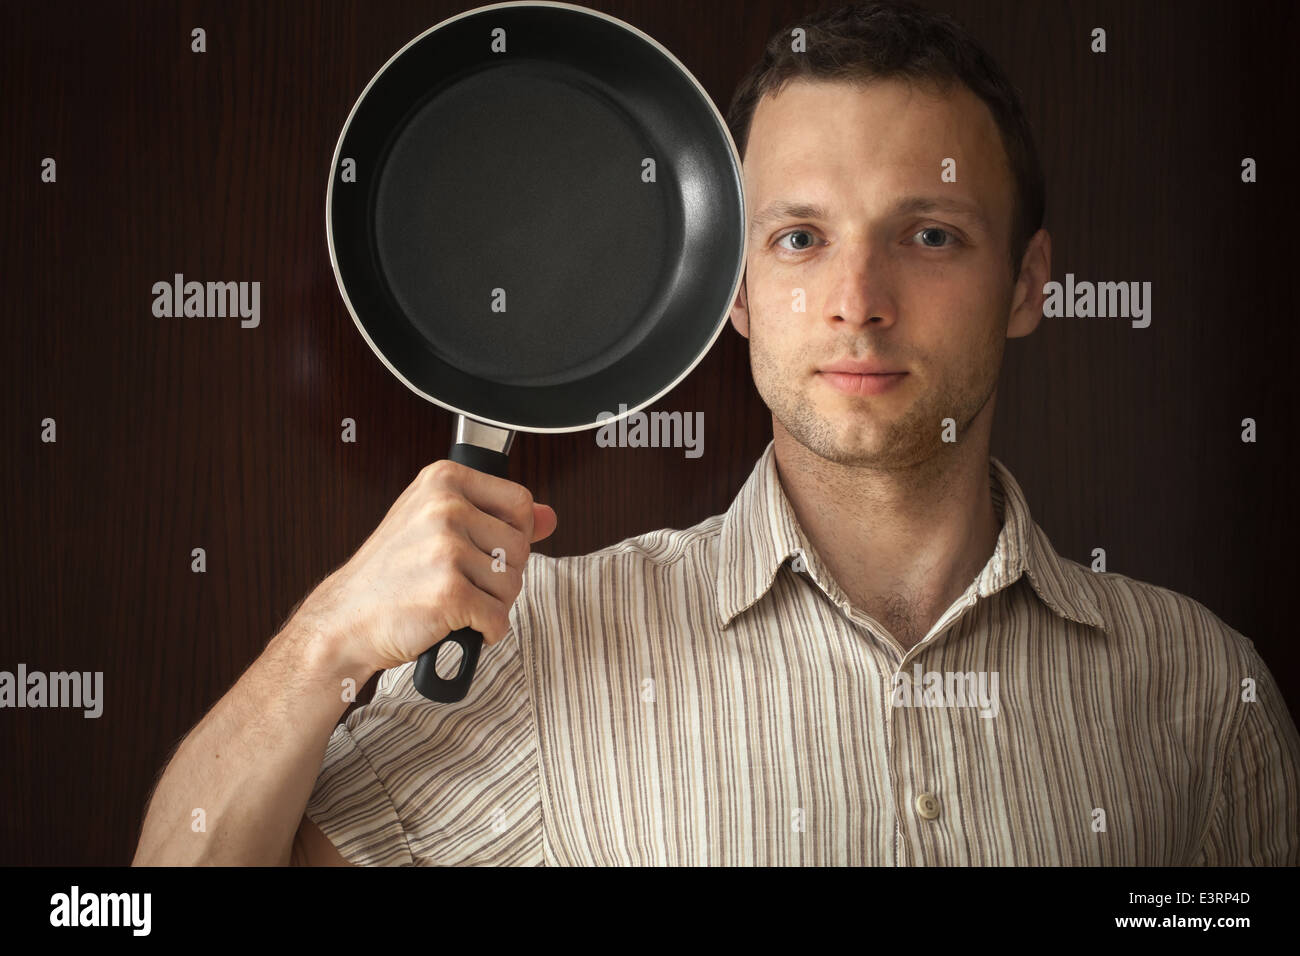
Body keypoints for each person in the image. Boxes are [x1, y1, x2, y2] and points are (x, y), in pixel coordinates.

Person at [132, 0, 1300, 866]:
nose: (857, 298)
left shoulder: (1202, 692)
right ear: (731, 289)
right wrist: (327, 637)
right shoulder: (550, 652)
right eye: (798, 238)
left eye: (930, 233)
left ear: (1029, 282)